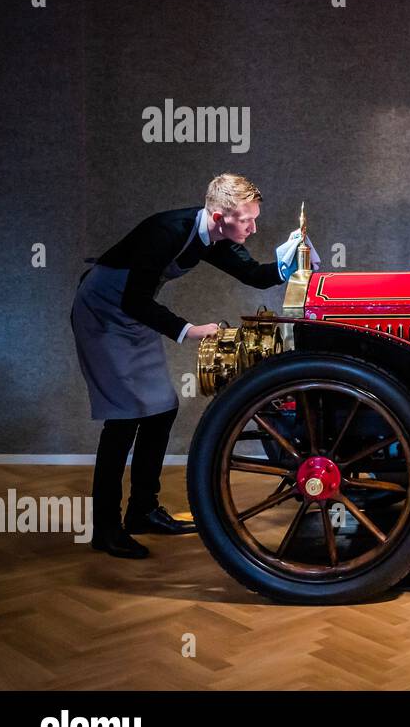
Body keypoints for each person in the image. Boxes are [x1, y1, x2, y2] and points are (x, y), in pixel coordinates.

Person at [70, 173, 315, 558]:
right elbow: (133, 299)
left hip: (135, 312)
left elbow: (254, 275)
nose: (253, 227)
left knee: (162, 409)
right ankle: (105, 527)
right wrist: (189, 330)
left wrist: (289, 258)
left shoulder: (212, 237)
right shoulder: (168, 231)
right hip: (104, 314)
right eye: (246, 220)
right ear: (219, 216)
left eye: (254, 218)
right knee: (123, 419)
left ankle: (143, 511)